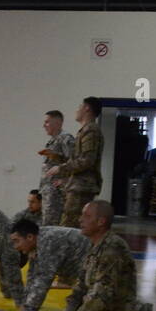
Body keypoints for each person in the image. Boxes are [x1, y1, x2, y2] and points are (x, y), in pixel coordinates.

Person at [46, 200, 156, 311]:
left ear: (100, 222)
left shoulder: (112, 249)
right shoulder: (95, 246)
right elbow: (81, 285)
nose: (80, 219)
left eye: (86, 216)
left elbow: (101, 295)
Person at [8, 219, 92, 311]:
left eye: (17, 241)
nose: (16, 247)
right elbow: (32, 275)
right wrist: (25, 305)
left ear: (30, 237)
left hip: (96, 270)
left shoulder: (48, 241)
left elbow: (43, 280)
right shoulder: (37, 241)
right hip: (83, 271)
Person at [51, 98, 104, 228]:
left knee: (70, 226)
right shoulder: (85, 130)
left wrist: (61, 168)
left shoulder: (90, 130)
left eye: (79, 106)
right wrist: (66, 179)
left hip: (81, 187)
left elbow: (87, 160)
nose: (77, 110)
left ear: (87, 108)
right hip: (77, 185)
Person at [38, 111, 75, 226]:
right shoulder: (53, 141)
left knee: (52, 227)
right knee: (46, 225)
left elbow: (74, 163)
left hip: (57, 195)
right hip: (49, 193)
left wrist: (66, 181)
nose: (44, 125)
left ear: (58, 122)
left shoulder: (66, 139)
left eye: (47, 122)